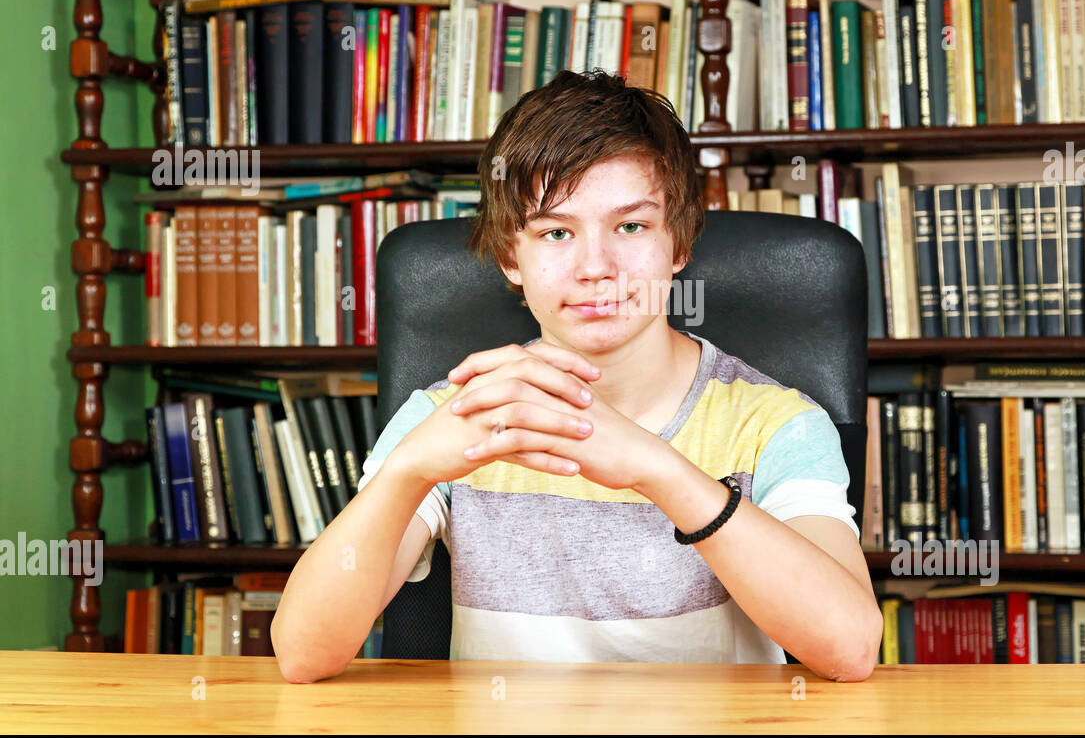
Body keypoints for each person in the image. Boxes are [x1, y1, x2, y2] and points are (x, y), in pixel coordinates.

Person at [272, 70, 883, 682]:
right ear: (512, 257)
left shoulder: (778, 424)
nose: (596, 267)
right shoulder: (452, 413)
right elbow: (303, 655)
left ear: (678, 244)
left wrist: (657, 469)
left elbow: (849, 649)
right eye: (556, 232)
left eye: (631, 226)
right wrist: (408, 470)